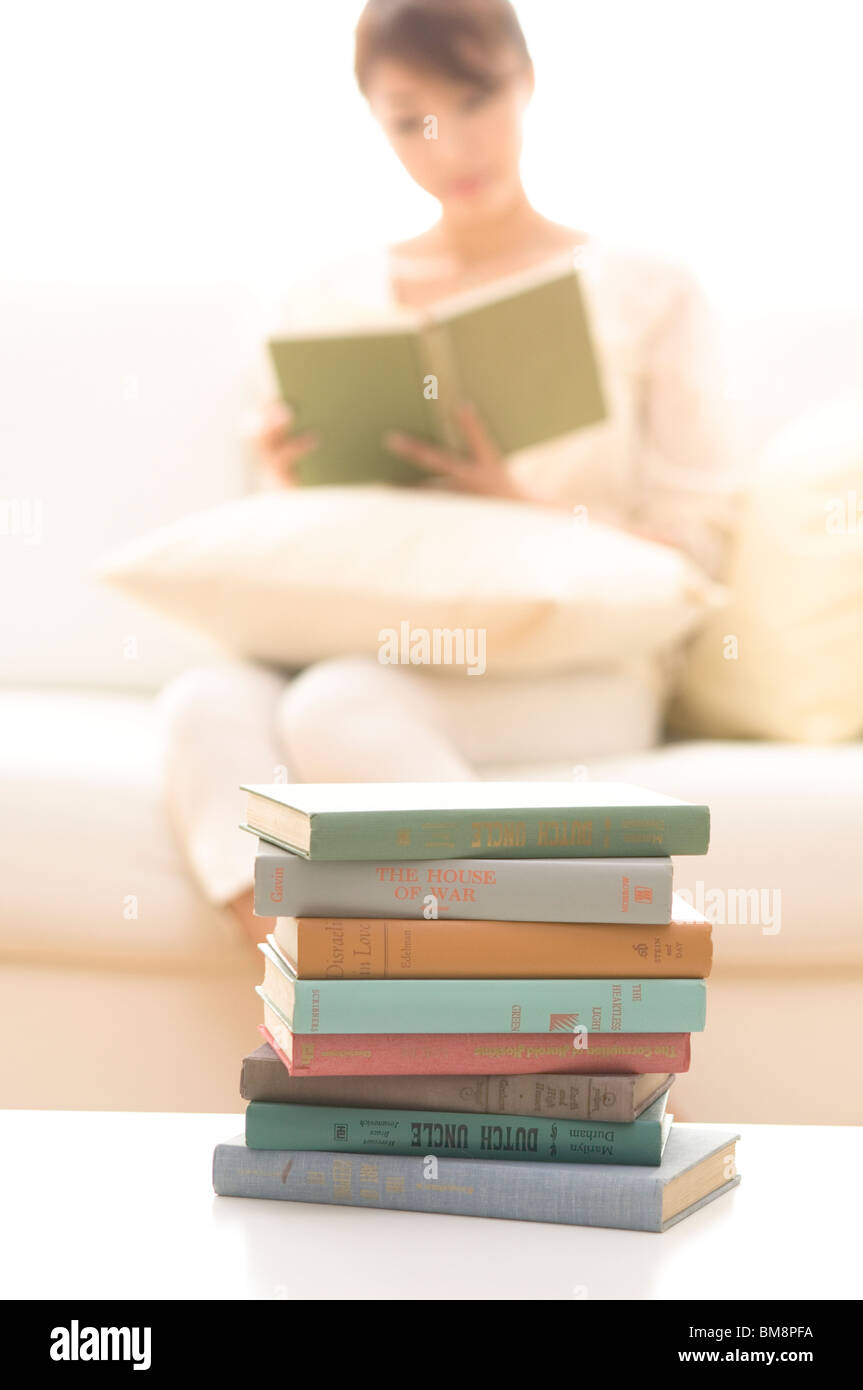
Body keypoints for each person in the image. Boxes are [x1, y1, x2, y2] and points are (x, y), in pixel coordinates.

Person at [159, 0, 737, 948]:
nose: (451, 143)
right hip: (368, 631)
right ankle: (322, 1016)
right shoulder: (323, 294)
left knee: (338, 706)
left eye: (475, 98)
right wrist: (293, 486)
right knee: (204, 705)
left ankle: (528, 987)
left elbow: (699, 552)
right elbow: (297, 552)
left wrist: (519, 506)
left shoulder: (646, 289)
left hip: (571, 656)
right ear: (373, 123)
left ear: (527, 82)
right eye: (407, 118)